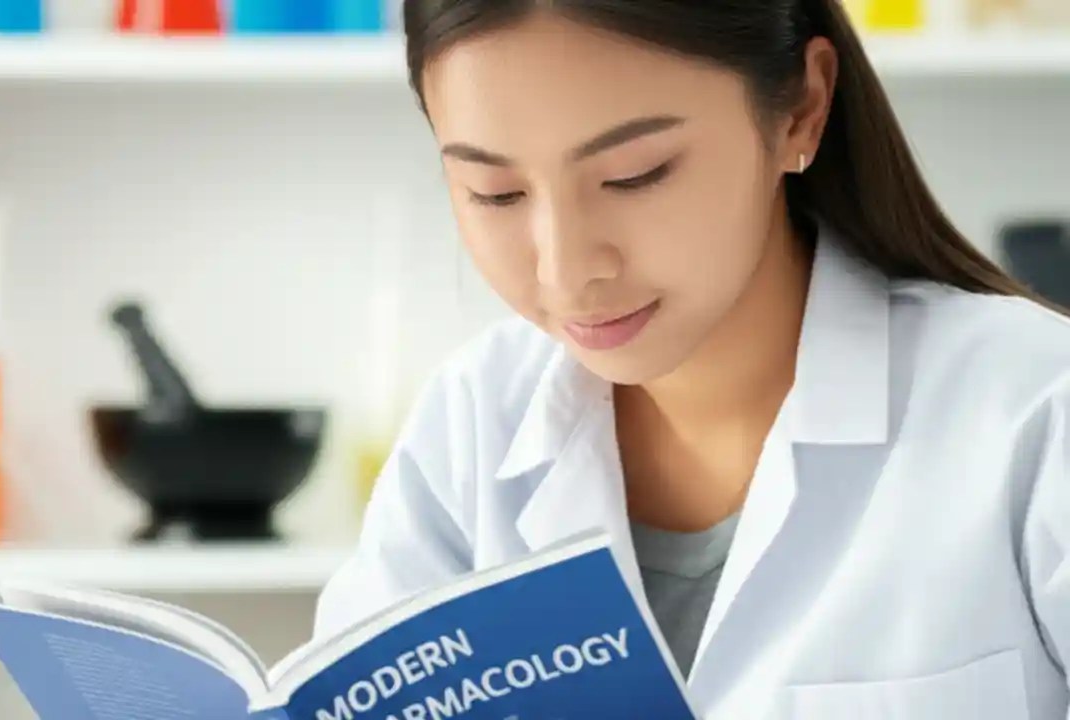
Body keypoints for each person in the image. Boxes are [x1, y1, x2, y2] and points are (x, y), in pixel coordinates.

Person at [313, 1, 1070, 716]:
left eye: (634, 175)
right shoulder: (471, 422)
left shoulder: (1036, 409)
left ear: (801, 107)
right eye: (496, 192)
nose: (567, 270)